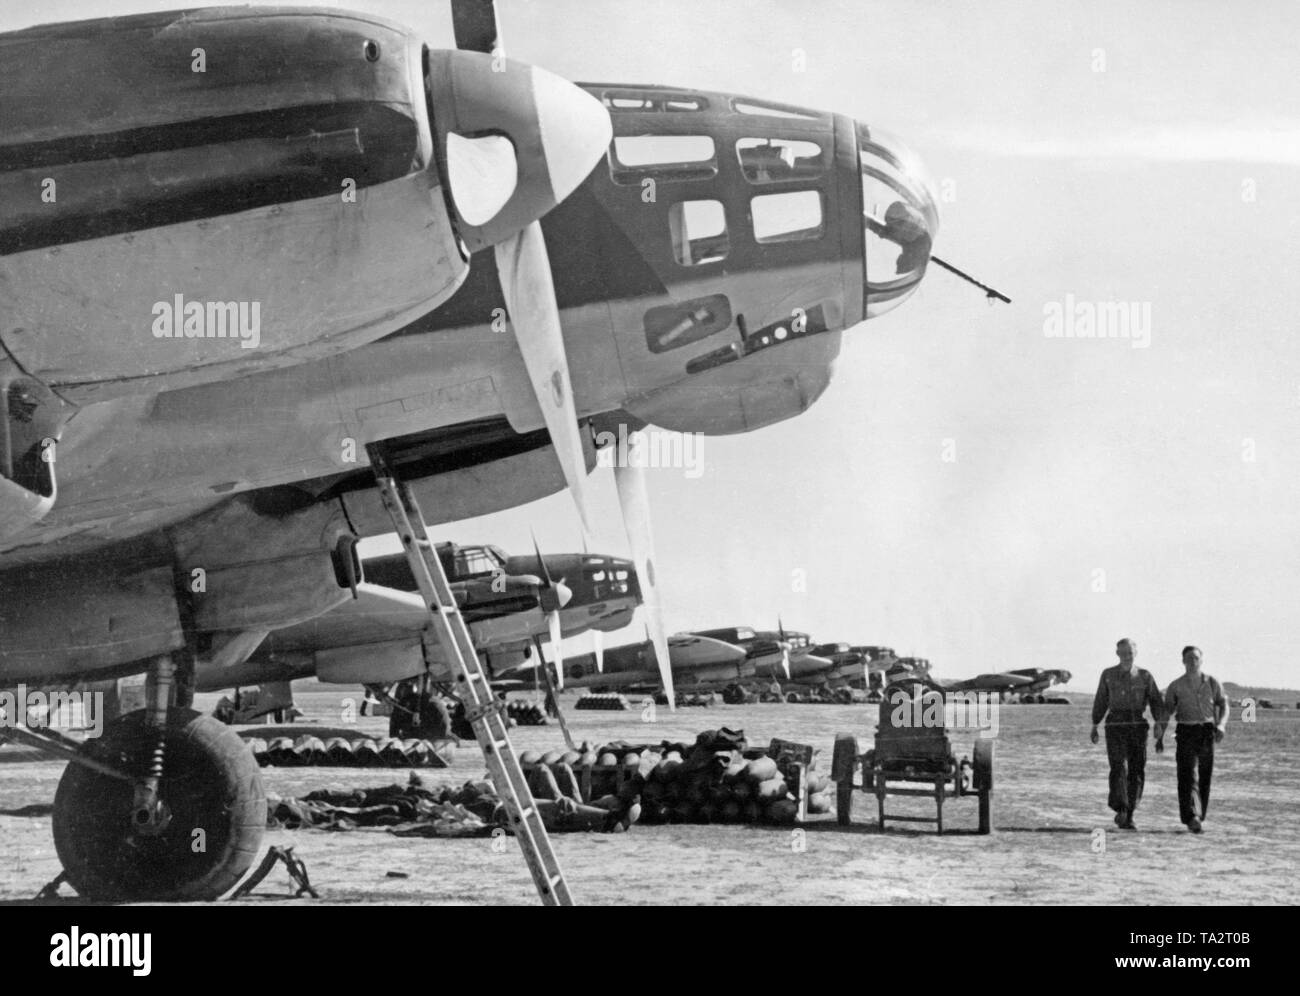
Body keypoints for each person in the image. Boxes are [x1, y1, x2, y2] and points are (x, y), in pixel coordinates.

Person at [1090, 638, 1165, 830]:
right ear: (1117, 654)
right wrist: (1095, 724)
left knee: (1136, 770)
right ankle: (1121, 808)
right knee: (1117, 766)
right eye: (1123, 653)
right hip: (1115, 724)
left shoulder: (1145, 676)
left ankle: (1130, 813)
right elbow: (1100, 700)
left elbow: (1156, 702)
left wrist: (1160, 726)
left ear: (1135, 653)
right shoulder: (1108, 674)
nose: (1126, 656)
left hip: (1138, 725)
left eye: (1130, 653)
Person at [1160, 646, 1227, 834]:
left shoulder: (1212, 682)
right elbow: (1168, 710)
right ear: (1183, 661)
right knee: (1188, 776)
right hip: (1185, 731)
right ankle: (1192, 816)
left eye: (1196, 658)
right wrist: (1160, 730)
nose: (1193, 661)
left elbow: (1224, 705)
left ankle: (1198, 815)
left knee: (1205, 776)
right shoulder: (1176, 685)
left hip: (1207, 731)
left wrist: (1221, 725)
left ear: (1201, 660)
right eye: (1189, 658)